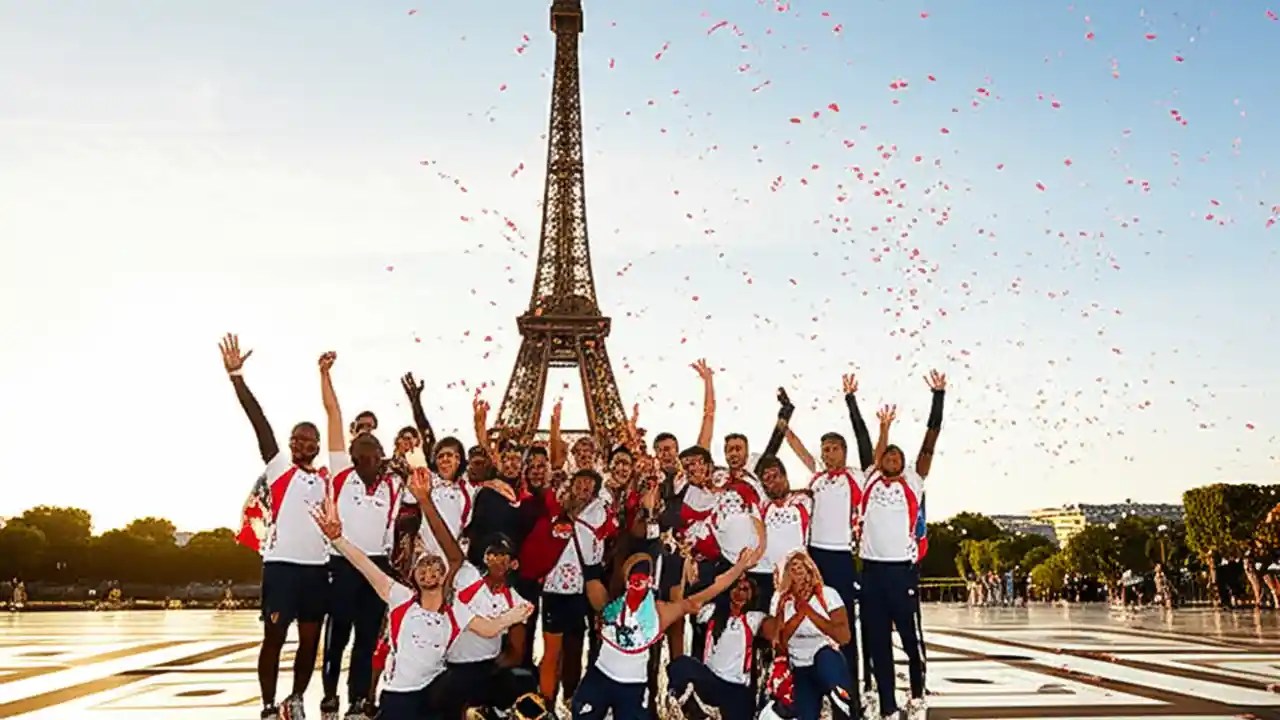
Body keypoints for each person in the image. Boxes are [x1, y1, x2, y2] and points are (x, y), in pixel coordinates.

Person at [312, 468, 533, 720]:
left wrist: (517, 613)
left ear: (445, 576)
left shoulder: (455, 610)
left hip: (433, 692)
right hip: (398, 696)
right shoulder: (401, 599)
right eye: (423, 566)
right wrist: (338, 539)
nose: (428, 569)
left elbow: (490, 628)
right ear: (414, 576)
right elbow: (365, 565)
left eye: (435, 566)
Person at [221, 334, 329, 720]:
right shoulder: (279, 469)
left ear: (317, 446)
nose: (301, 444)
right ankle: (268, 705)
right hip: (281, 566)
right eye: (295, 439)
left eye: (308, 440)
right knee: (274, 638)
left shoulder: (327, 479)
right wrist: (237, 377)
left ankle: (296, 697)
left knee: (311, 640)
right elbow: (258, 420)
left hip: (317, 569)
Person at [572, 546, 764, 720]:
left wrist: (738, 568)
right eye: (634, 575)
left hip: (632, 686)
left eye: (644, 575)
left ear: (650, 581)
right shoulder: (610, 604)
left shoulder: (660, 612)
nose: (638, 581)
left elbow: (702, 596)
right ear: (626, 579)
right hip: (601, 675)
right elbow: (590, 572)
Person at [783, 373, 876, 706]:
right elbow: (798, 451)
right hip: (814, 556)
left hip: (840, 556)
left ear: (843, 451)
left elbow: (865, 440)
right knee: (805, 615)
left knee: (841, 621)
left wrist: (852, 402)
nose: (828, 453)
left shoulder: (857, 476)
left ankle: (848, 687)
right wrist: (784, 425)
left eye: (834, 448)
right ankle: (808, 686)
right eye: (824, 449)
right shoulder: (816, 477)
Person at [318, 352, 401, 720]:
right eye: (357, 454)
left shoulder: (395, 485)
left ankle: (357, 698)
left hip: (377, 566)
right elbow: (334, 415)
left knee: (368, 636)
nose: (363, 459)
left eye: (371, 455)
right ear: (349, 456)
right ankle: (330, 694)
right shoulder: (340, 475)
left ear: (382, 457)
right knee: (337, 636)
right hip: (343, 561)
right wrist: (324, 375)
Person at [860, 370, 946, 720]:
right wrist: (883, 430)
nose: (891, 459)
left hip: (901, 571)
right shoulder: (869, 479)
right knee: (876, 640)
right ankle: (887, 703)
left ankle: (917, 692)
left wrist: (938, 397)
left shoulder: (914, 479)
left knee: (910, 640)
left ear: (904, 462)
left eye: (897, 457)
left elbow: (930, 439)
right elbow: (873, 446)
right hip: (871, 571)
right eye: (887, 457)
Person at [437, 534, 543, 719]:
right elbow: (450, 549)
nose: (498, 560)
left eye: (504, 555)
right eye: (493, 554)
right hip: (450, 665)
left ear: (513, 563)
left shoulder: (516, 601)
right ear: (485, 558)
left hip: (485, 667)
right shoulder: (467, 577)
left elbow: (516, 652)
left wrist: (490, 670)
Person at [666, 574, 774, 720]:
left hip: (736, 688)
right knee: (681, 665)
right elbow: (690, 604)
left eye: (745, 589)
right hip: (710, 679)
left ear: (752, 596)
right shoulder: (713, 611)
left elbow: (773, 629)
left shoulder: (753, 618)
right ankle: (692, 711)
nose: (739, 591)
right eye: (736, 587)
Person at [773, 551, 855, 720]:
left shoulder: (828, 595)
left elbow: (844, 636)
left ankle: (840, 703)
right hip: (800, 666)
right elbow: (779, 642)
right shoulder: (782, 601)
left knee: (825, 659)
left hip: (826, 657)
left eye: (801, 565)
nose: (798, 569)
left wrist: (810, 612)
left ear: (810, 569)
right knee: (807, 714)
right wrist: (799, 615)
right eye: (793, 567)